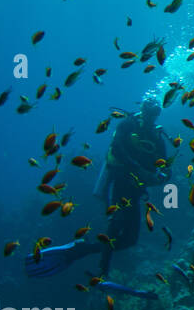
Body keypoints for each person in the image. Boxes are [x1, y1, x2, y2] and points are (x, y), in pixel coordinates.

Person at [25, 98, 169, 281]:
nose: (151, 119)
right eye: (149, 114)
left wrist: (162, 176)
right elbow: (117, 150)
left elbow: (165, 164)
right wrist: (139, 170)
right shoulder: (127, 125)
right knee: (115, 225)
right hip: (118, 183)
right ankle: (103, 271)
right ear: (143, 111)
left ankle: (83, 249)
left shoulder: (156, 136)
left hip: (135, 191)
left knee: (130, 239)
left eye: (155, 115)